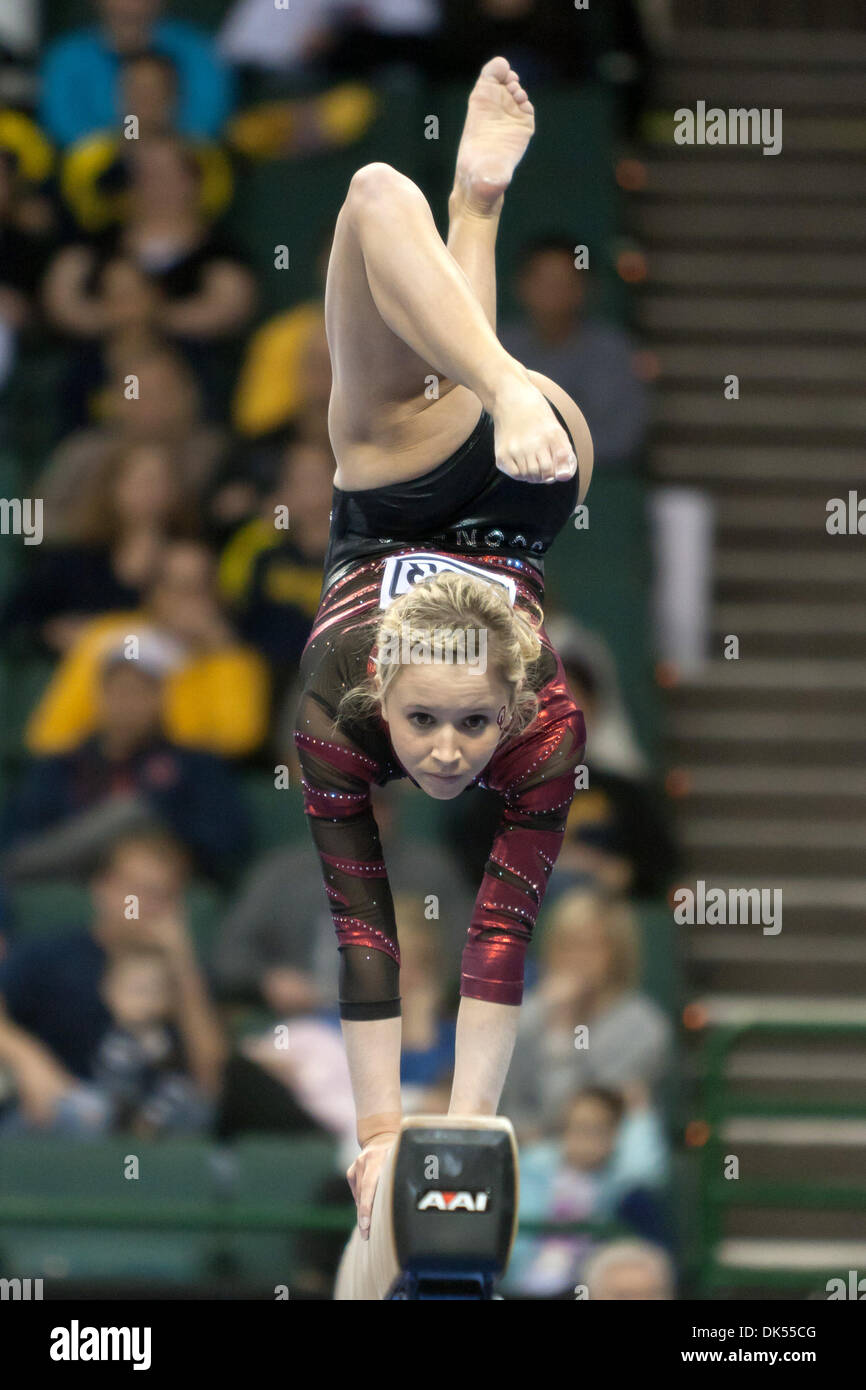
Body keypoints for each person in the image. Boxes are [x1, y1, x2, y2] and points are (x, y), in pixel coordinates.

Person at [291, 57, 594, 1241]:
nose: (453, 749)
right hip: (534, 464)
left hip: (417, 473)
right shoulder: (547, 727)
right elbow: (377, 934)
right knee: (386, 244)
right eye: (433, 722)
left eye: (466, 723)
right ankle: (500, 347)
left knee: (376, 192)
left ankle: (475, 204)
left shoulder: (330, 707)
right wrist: (402, 1138)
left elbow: (471, 932)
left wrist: (428, 1133)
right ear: (388, 694)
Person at [40, 0, 234, 149]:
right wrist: (127, 143)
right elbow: (65, 129)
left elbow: (206, 123)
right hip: (98, 177)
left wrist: (153, 146)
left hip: (183, 172)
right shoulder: (67, 58)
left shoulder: (200, 52)